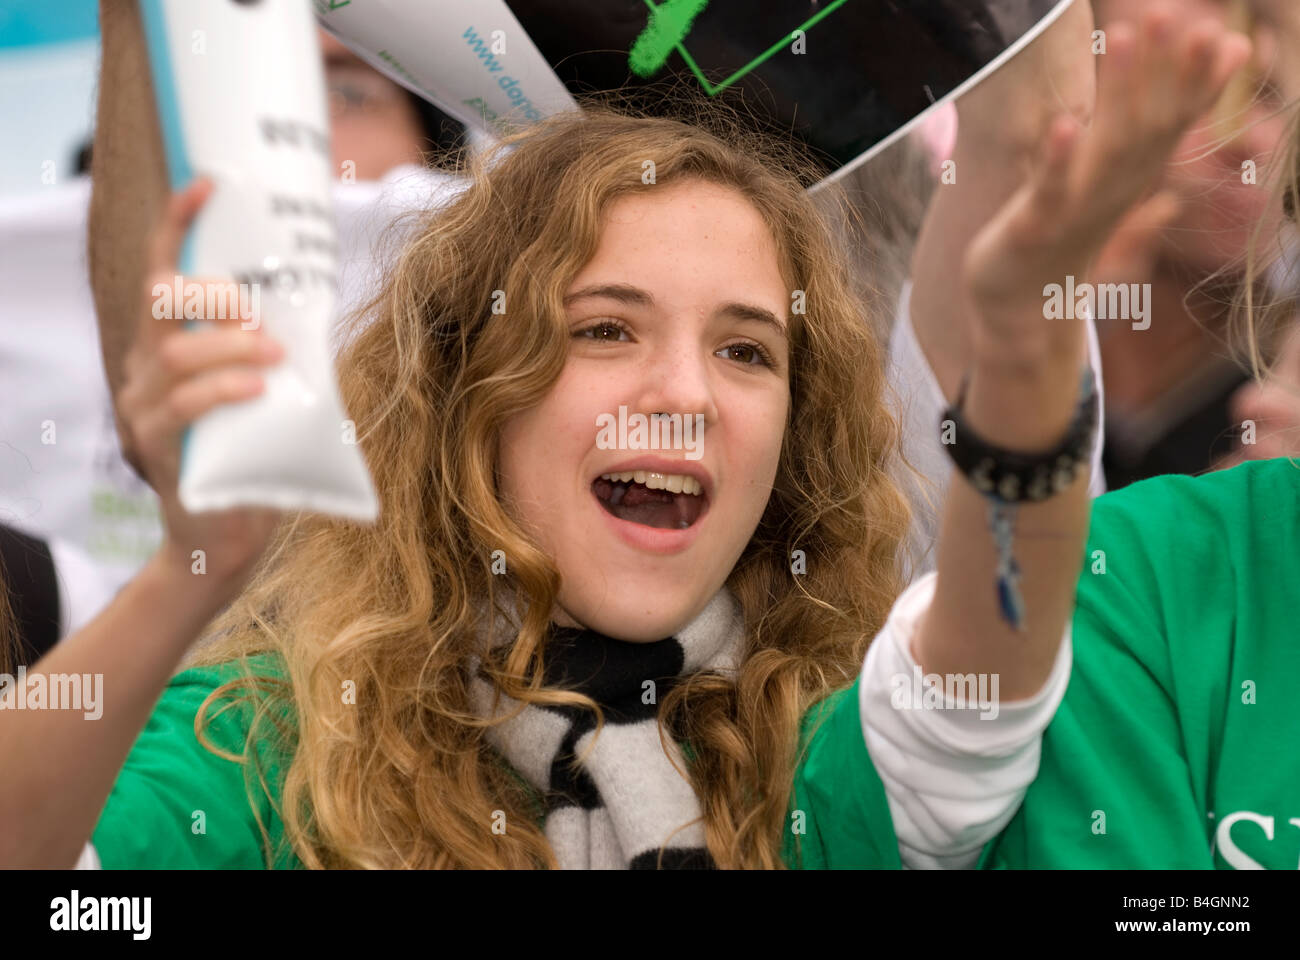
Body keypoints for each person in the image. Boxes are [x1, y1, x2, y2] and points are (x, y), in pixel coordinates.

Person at [0, 2, 1249, 869]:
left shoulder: (825, 754)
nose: (684, 391)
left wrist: (1027, 352)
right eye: (603, 329)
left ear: (796, 444)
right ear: (467, 388)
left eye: (748, 349)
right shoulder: (279, 743)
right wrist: (187, 570)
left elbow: (977, 702)